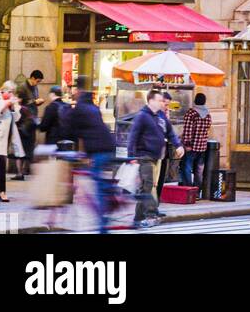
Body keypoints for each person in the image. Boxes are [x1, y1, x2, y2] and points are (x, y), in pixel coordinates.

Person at [65, 75, 117, 235]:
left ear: (77, 90)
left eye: (74, 90)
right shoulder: (93, 106)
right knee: (101, 181)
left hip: (98, 150)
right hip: (108, 145)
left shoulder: (79, 108)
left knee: (98, 187)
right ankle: (111, 195)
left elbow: (71, 129)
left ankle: (103, 224)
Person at [127, 85, 184, 226]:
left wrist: (178, 145)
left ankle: (138, 218)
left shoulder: (161, 116)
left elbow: (170, 132)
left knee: (146, 186)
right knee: (147, 184)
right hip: (143, 156)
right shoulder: (142, 116)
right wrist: (131, 157)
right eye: (159, 100)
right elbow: (132, 137)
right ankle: (151, 213)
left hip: (157, 155)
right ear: (150, 101)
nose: (161, 103)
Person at [179, 92, 211, 193]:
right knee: (199, 170)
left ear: (195, 101)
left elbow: (188, 130)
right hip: (202, 147)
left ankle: (189, 190)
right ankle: (197, 191)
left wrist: (187, 144)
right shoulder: (207, 114)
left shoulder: (191, 113)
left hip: (191, 147)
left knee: (186, 168)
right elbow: (207, 129)